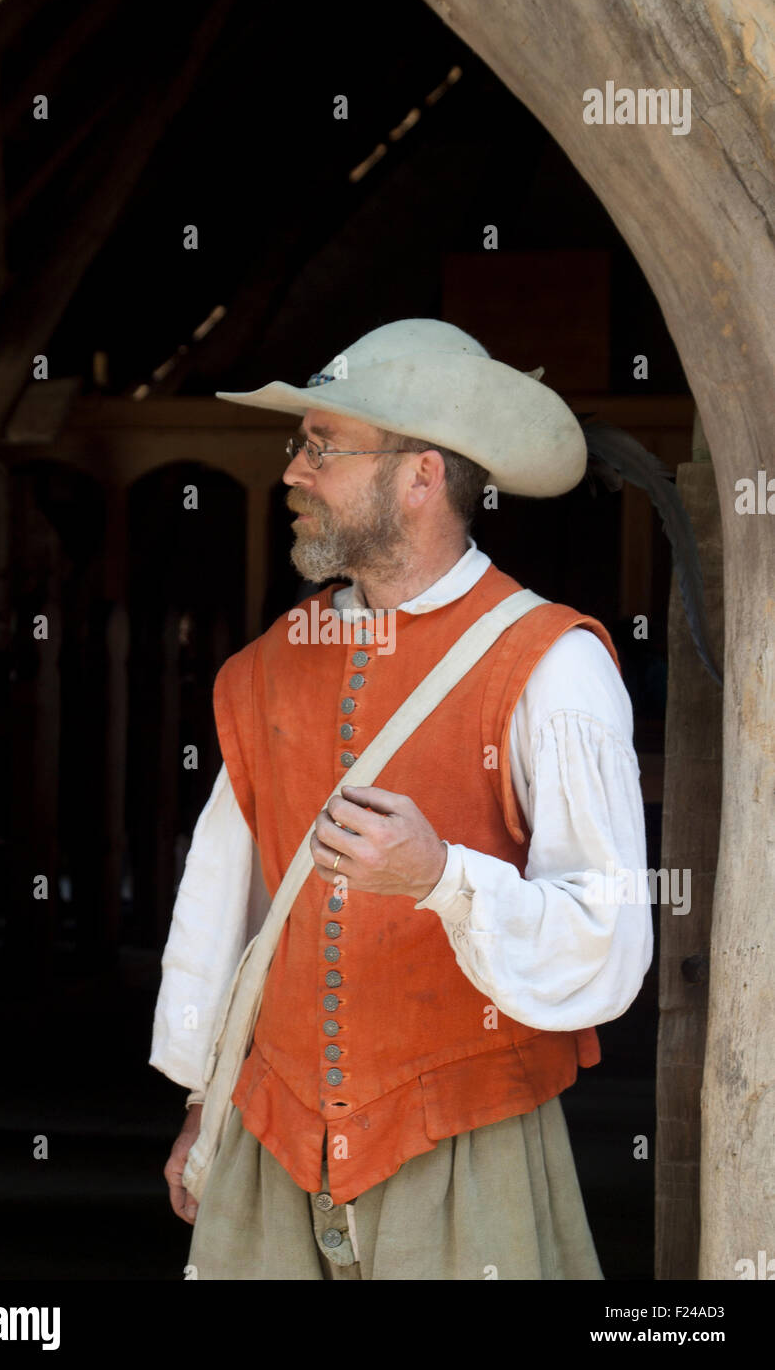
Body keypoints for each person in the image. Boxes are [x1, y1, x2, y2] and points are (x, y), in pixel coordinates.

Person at [150, 318, 652, 1280]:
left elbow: (609, 930)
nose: (293, 471)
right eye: (301, 445)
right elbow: (227, 910)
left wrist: (444, 879)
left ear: (422, 476)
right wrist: (203, 1112)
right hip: (271, 1135)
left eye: (322, 447)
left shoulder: (552, 665)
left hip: (467, 1143)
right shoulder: (259, 675)